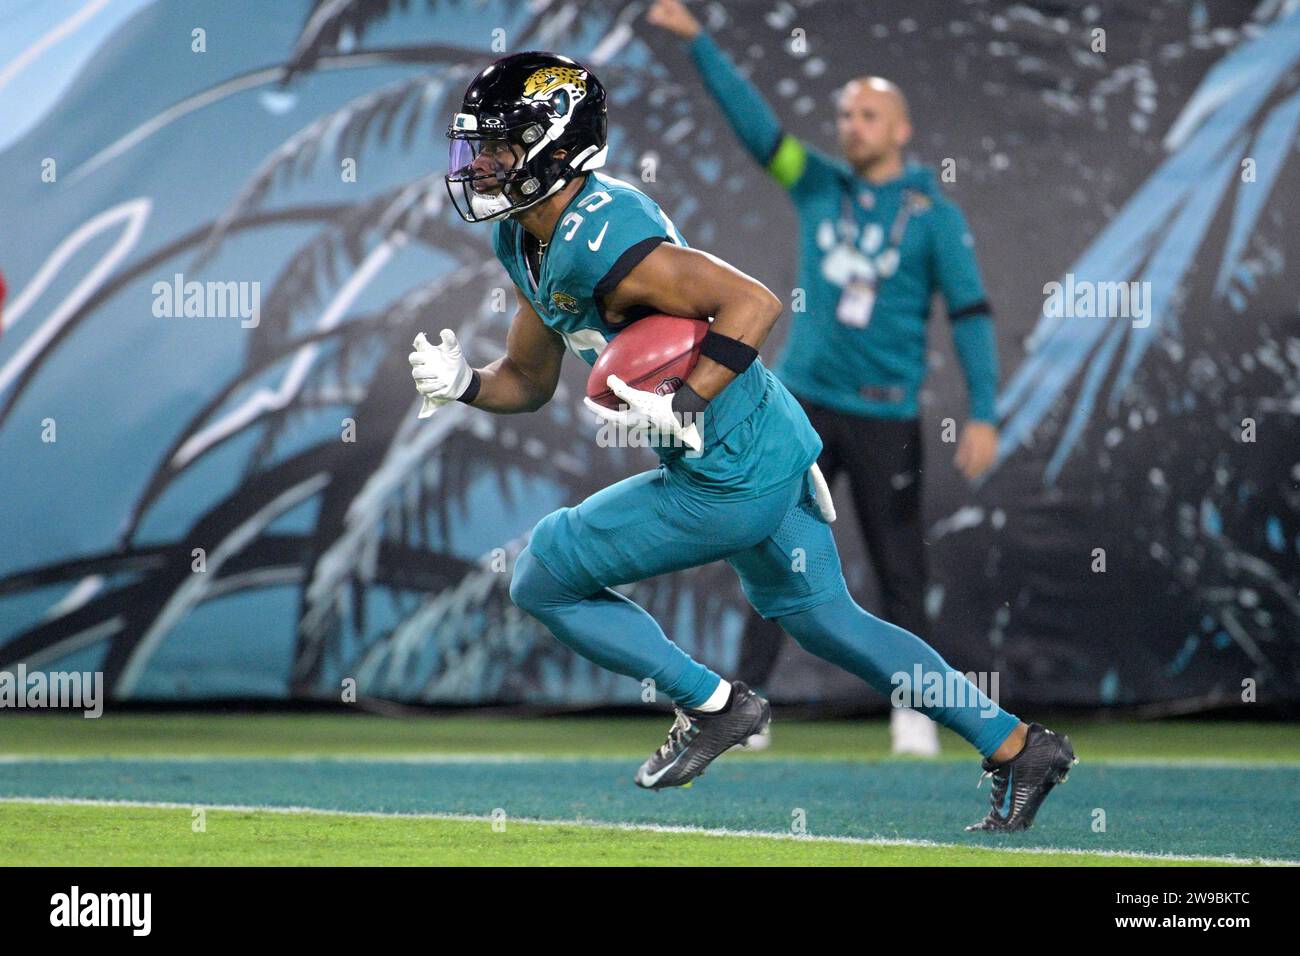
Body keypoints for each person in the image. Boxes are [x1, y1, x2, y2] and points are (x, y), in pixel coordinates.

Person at [410, 50, 1075, 830]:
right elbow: (528, 377)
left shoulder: (604, 237)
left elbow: (753, 305)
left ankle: (715, 706)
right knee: (832, 621)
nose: (482, 163)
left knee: (544, 575)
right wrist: (464, 383)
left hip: (725, 473)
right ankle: (1017, 745)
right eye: (478, 145)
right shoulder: (526, 236)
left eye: (501, 144)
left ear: (557, 148)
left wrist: (686, 404)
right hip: (768, 443)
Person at [648, 0, 1001, 756]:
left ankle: (916, 708)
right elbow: (759, 132)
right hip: (799, 406)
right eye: (844, 112)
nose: (851, 123)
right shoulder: (817, 184)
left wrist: (985, 410)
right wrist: (699, 43)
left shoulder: (933, 216)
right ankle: (746, 708)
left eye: (868, 114)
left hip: (885, 414)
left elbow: (970, 313)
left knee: (900, 566)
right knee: (766, 543)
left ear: (901, 129)